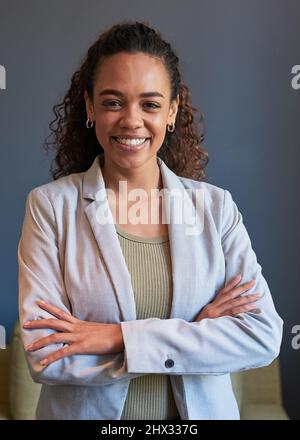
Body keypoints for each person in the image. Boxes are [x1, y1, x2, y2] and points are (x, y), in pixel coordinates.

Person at [18, 21, 283, 420]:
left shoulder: (216, 208)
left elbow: (261, 337)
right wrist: (194, 330)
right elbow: (48, 356)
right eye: (112, 102)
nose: (131, 120)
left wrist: (114, 337)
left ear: (172, 111)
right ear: (90, 107)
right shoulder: (50, 207)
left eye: (150, 104)